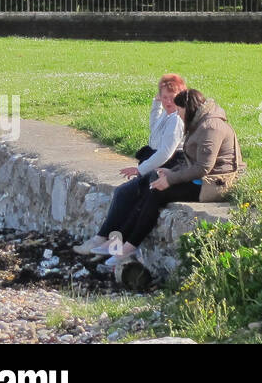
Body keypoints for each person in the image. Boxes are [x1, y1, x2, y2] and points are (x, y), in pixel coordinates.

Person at [102, 88, 245, 268]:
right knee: (153, 184)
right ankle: (123, 241)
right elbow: (192, 163)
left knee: (158, 192)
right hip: (205, 179)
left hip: (216, 184)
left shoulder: (211, 127)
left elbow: (203, 167)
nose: (177, 114)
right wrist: (170, 172)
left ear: (189, 107)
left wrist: (170, 180)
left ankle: (129, 247)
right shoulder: (200, 122)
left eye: (179, 110)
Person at [73, 74, 186, 256]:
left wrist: (140, 169)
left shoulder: (176, 119)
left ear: (181, 96)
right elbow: (154, 132)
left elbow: (166, 152)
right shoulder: (168, 114)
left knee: (127, 194)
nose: (168, 101)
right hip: (160, 162)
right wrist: (156, 104)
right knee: (126, 194)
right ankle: (108, 240)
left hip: (170, 165)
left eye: (172, 98)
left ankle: (107, 240)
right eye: (164, 97)